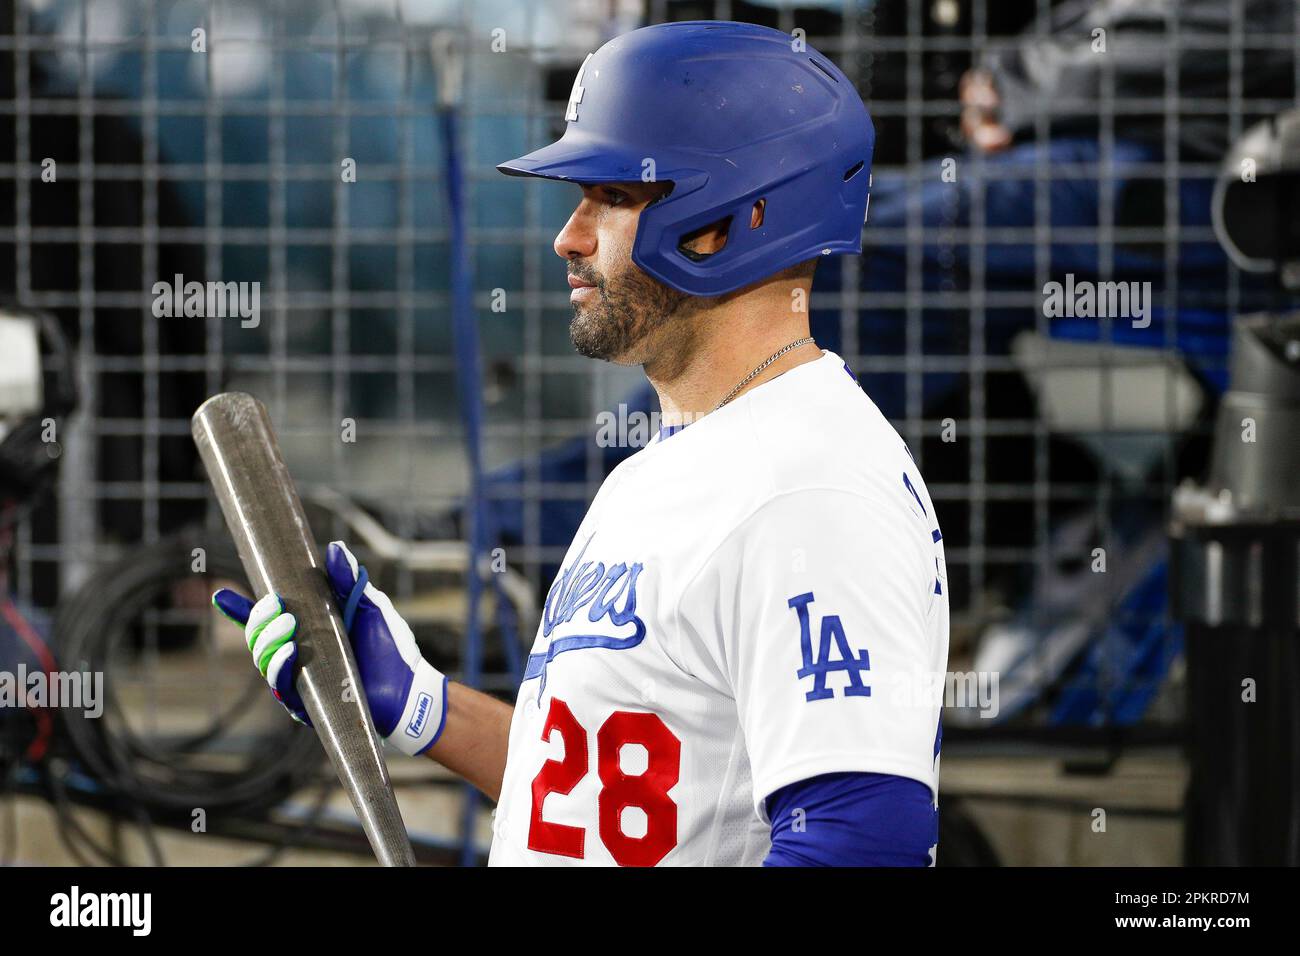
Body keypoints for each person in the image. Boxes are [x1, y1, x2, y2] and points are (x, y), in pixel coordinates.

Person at [214, 21, 949, 866]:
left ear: (738, 218)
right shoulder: (666, 466)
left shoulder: (808, 489)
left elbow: (861, 842)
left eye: (614, 196)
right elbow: (611, 794)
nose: (569, 235)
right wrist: (420, 707)